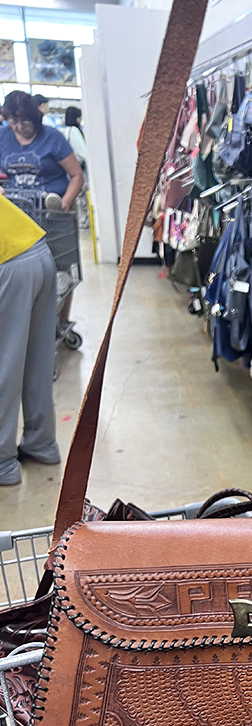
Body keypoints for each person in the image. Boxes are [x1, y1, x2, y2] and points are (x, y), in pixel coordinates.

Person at [0, 193, 60, 486]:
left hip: (9, 263)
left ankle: (1, 463)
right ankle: (42, 444)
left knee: (5, 364)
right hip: (38, 252)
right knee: (37, 360)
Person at [0, 91, 83, 211]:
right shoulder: (3, 136)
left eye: (25, 122)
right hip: (17, 209)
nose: (19, 127)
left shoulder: (52, 137)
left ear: (35, 118)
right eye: (14, 122)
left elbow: (77, 175)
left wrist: (65, 203)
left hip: (50, 208)